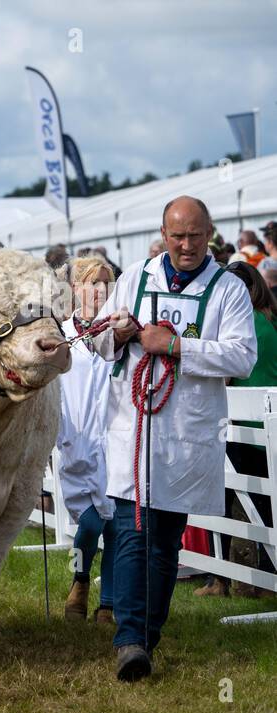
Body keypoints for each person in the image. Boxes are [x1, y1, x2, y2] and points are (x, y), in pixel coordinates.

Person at [89, 196, 257, 682]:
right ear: (163, 234)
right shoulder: (136, 278)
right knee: (131, 530)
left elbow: (242, 357)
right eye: (177, 236)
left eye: (195, 236)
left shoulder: (228, 288)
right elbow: (101, 343)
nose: (185, 246)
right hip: (133, 426)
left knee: (164, 541)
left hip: (186, 432)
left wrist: (177, 345)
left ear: (210, 233)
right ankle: (129, 640)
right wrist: (116, 333)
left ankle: (147, 635)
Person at [193, 260, 277, 597]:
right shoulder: (269, 322)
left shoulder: (241, 326)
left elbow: (224, 374)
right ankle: (267, 577)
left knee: (223, 500)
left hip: (240, 426)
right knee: (267, 506)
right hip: (267, 425)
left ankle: (220, 580)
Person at [57, 257, 116, 624]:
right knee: (91, 523)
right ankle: (80, 580)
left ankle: (107, 603)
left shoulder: (119, 331)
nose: (99, 293)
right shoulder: (60, 333)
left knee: (116, 525)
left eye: (106, 285)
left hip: (113, 442)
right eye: (92, 284)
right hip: (74, 439)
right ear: (76, 288)